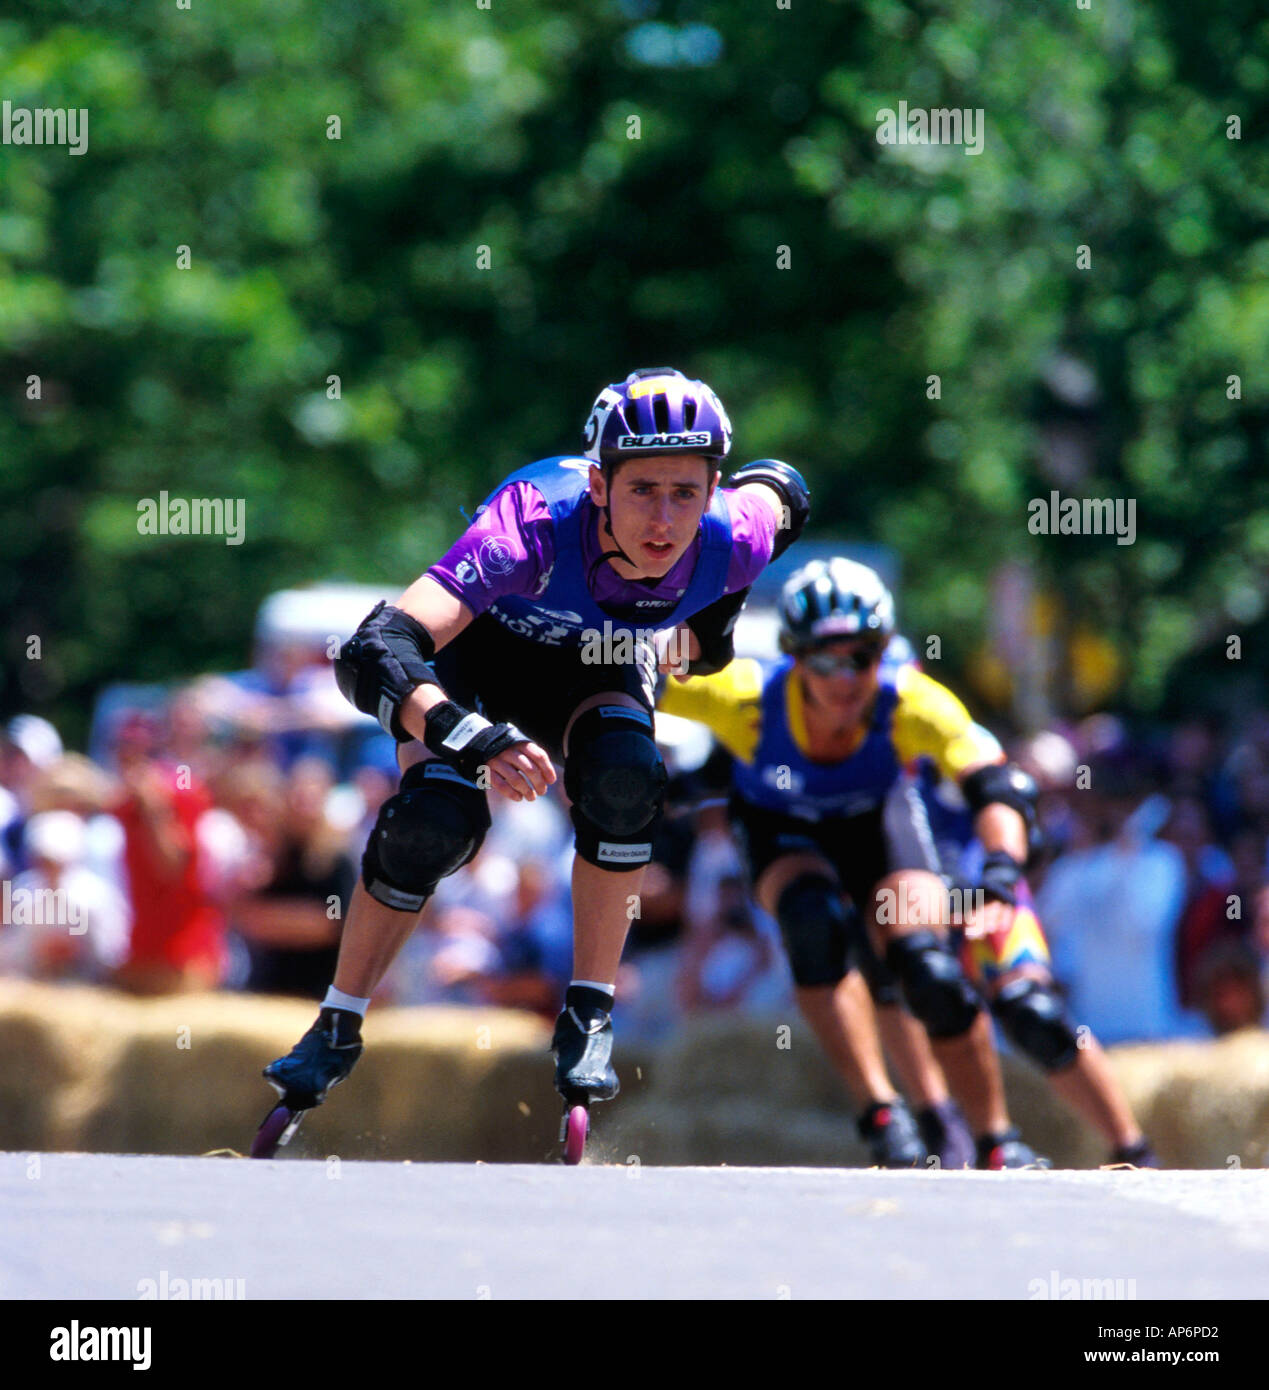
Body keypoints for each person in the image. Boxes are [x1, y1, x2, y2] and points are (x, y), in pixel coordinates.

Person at [261, 368, 808, 1132]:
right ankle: (338, 1020)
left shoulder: (735, 535)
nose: (662, 518)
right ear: (595, 484)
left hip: (589, 664)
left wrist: (714, 621)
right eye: (641, 489)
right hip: (473, 660)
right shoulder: (533, 524)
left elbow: (784, 491)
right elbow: (371, 649)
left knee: (625, 784)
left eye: (686, 492)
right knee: (432, 824)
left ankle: (587, 1012)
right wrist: (469, 735)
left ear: (713, 488)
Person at [659, 557, 1048, 1168]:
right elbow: (612, 664)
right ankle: (882, 1114)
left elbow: (996, 788)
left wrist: (1000, 868)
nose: (845, 679)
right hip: (784, 830)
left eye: (862, 657)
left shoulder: (913, 702)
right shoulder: (743, 697)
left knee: (931, 974)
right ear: (792, 654)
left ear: (884, 652)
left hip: (877, 827)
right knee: (812, 923)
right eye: (824, 659)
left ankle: (996, 1139)